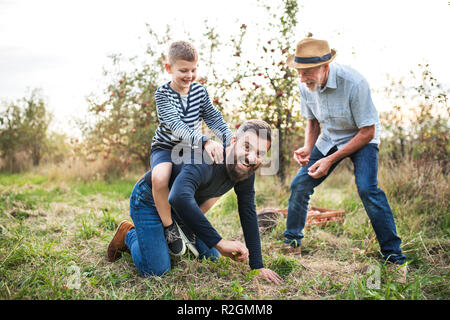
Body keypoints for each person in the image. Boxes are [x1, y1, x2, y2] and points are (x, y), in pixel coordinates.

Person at [107, 120, 282, 284]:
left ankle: (160, 234)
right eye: (246, 147)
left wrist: (257, 265)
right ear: (234, 140)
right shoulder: (206, 159)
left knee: (212, 257)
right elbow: (178, 197)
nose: (251, 158)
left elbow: (248, 211)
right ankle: (129, 235)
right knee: (157, 270)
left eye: (259, 153)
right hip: (149, 200)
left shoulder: (245, 170)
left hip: (181, 210)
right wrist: (220, 243)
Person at [282, 38, 407, 269]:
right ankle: (292, 243)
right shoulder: (305, 85)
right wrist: (308, 148)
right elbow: (312, 121)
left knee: (367, 189)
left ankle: (395, 259)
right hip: (329, 137)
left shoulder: (354, 83)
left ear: (325, 67)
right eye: (299, 72)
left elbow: (367, 131)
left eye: (308, 72)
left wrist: (331, 159)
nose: (302, 79)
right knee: (300, 185)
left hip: (361, 138)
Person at [151, 40, 234, 256]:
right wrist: (205, 141)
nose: (189, 75)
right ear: (169, 68)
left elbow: (213, 117)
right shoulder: (163, 95)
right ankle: (170, 227)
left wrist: (229, 140)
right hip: (166, 146)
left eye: (194, 69)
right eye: (183, 70)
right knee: (160, 178)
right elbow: (177, 127)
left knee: (220, 178)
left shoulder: (199, 91)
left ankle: (190, 223)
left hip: (192, 147)